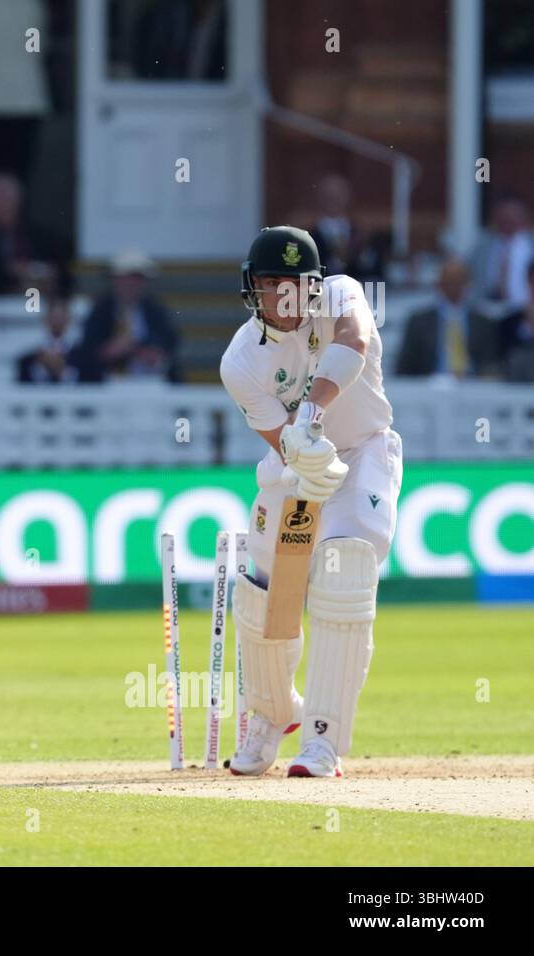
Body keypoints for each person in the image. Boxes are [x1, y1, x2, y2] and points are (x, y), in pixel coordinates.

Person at [220, 225, 401, 779]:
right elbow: (283, 441)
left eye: (294, 284)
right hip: (294, 466)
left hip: (364, 452)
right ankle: (272, 716)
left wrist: (310, 418)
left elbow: (354, 342)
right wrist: (304, 454)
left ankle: (323, 740)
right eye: (271, 283)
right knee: (264, 591)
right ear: (252, 288)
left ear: (315, 285)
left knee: (344, 571)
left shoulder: (345, 293)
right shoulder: (240, 361)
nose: (283, 297)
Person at [80, 249, 179, 381]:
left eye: (137, 278)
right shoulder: (100, 310)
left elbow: (169, 340)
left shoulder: (155, 310)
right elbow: (88, 348)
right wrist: (108, 351)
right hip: (107, 383)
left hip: (150, 381)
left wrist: (151, 351)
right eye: (126, 277)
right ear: (115, 280)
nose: (131, 284)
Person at [395, 258, 496, 379]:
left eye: (459, 281)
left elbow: (491, 366)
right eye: (449, 281)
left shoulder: (483, 323)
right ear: (439, 284)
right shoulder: (419, 323)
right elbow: (404, 368)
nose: (453, 286)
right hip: (429, 389)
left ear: (468, 284)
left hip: (473, 387)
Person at [469, 196, 532, 316]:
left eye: (512, 215)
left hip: (523, 311)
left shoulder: (530, 244)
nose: (507, 219)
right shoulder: (484, 244)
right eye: (503, 215)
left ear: (523, 218)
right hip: (487, 309)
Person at [16, 294, 94, 383]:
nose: (57, 321)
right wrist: (42, 366)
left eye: (61, 317)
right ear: (45, 319)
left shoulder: (85, 359)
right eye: (53, 317)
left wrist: (63, 368)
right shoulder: (28, 361)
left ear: (69, 319)